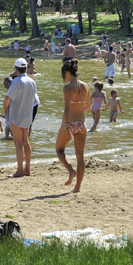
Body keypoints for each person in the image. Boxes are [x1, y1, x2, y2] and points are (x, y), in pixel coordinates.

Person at [56, 59, 90, 193]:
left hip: (68, 123)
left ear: (67, 72)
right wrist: (79, 116)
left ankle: (71, 171)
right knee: (80, 156)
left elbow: (67, 109)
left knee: (59, 150)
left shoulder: (67, 88)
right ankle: (77, 187)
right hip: (82, 123)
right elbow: (87, 106)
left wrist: (69, 126)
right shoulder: (86, 85)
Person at [5, 58, 37, 178]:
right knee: (26, 142)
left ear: (15, 68)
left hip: (17, 115)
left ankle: (19, 170)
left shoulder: (17, 81)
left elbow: (8, 98)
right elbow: (34, 100)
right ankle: (27, 169)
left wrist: (5, 111)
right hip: (27, 115)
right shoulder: (32, 81)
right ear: (26, 68)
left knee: (18, 143)